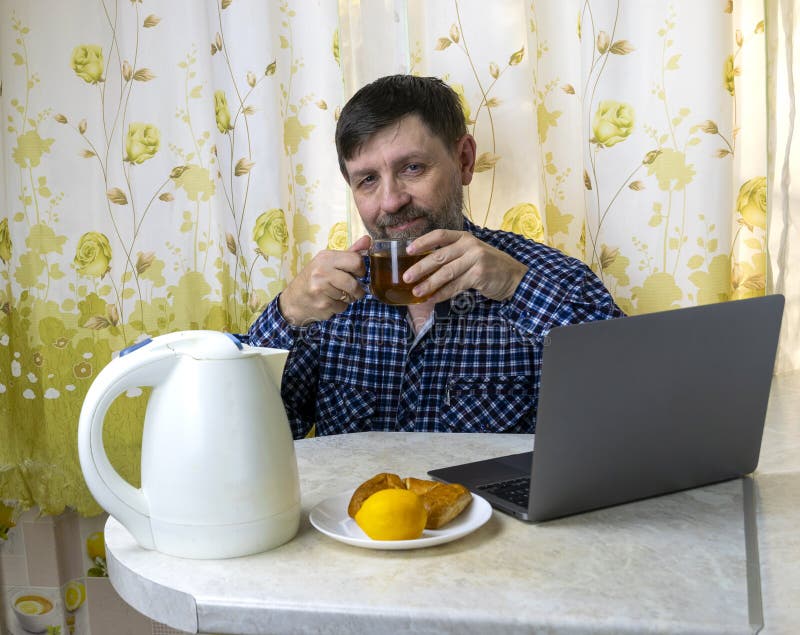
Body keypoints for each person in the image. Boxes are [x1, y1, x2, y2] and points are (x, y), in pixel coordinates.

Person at [245, 74, 623, 438]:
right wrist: (287, 314)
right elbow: (244, 437)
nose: (391, 201)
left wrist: (517, 286)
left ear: (464, 161)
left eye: (412, 168)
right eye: (368, 180)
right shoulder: (324, 303)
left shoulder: (547, 278)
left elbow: (633, 410)